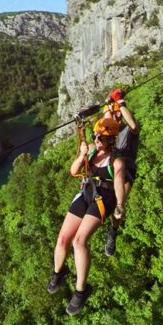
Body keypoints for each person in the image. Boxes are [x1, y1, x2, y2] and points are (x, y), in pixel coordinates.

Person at [48, 116, 128, 315]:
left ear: (110, 140)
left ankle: (81, 291)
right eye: (96, 135)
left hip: (105, 197)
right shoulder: (92, 149)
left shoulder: (116, 160)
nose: (97, 139)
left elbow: (118, 182)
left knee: (78, 241)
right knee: (63, 239)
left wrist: (119, 204)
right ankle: (59, 272)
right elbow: (74, 170)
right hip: (88, 192)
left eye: (101, 137)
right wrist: (83, 154)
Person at [103, 89, 139, 257]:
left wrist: (120, 103)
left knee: (120, 200)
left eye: (118, 115)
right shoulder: (110, 132)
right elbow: (104, 123)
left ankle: (113, 231)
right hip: (110, 168)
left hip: (127, 168)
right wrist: (108, 106)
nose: (116, 118)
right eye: (115, 116)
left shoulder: (127, 129)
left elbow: (134, 125)